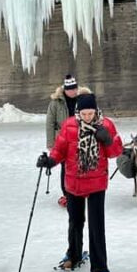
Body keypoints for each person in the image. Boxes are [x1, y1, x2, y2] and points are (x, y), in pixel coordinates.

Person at [37, 92, 123, 272]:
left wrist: (108, 140)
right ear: (78, 112)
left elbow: (116, 153)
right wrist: (49, 161)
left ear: (95, 111)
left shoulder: (106, 125)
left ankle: (100, 269)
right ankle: (74, 255)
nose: (87, 117)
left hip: (96, 184)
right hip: (73, 182)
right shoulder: (68, 126)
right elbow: (59, 151)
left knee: (96, 226)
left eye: (91, 113)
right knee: (75, 221)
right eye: (84, 113)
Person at [45, 74, 91, 207]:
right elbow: (50, 123)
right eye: (70, 89)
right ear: (65, 89)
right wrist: (51, 144)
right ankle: (67, 194)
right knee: (66, 168)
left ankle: (83, 191)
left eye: (75, 88)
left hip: (82, 138)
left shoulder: (84, 99)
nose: (73, 91)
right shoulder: (55, 103)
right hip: (63, 140)